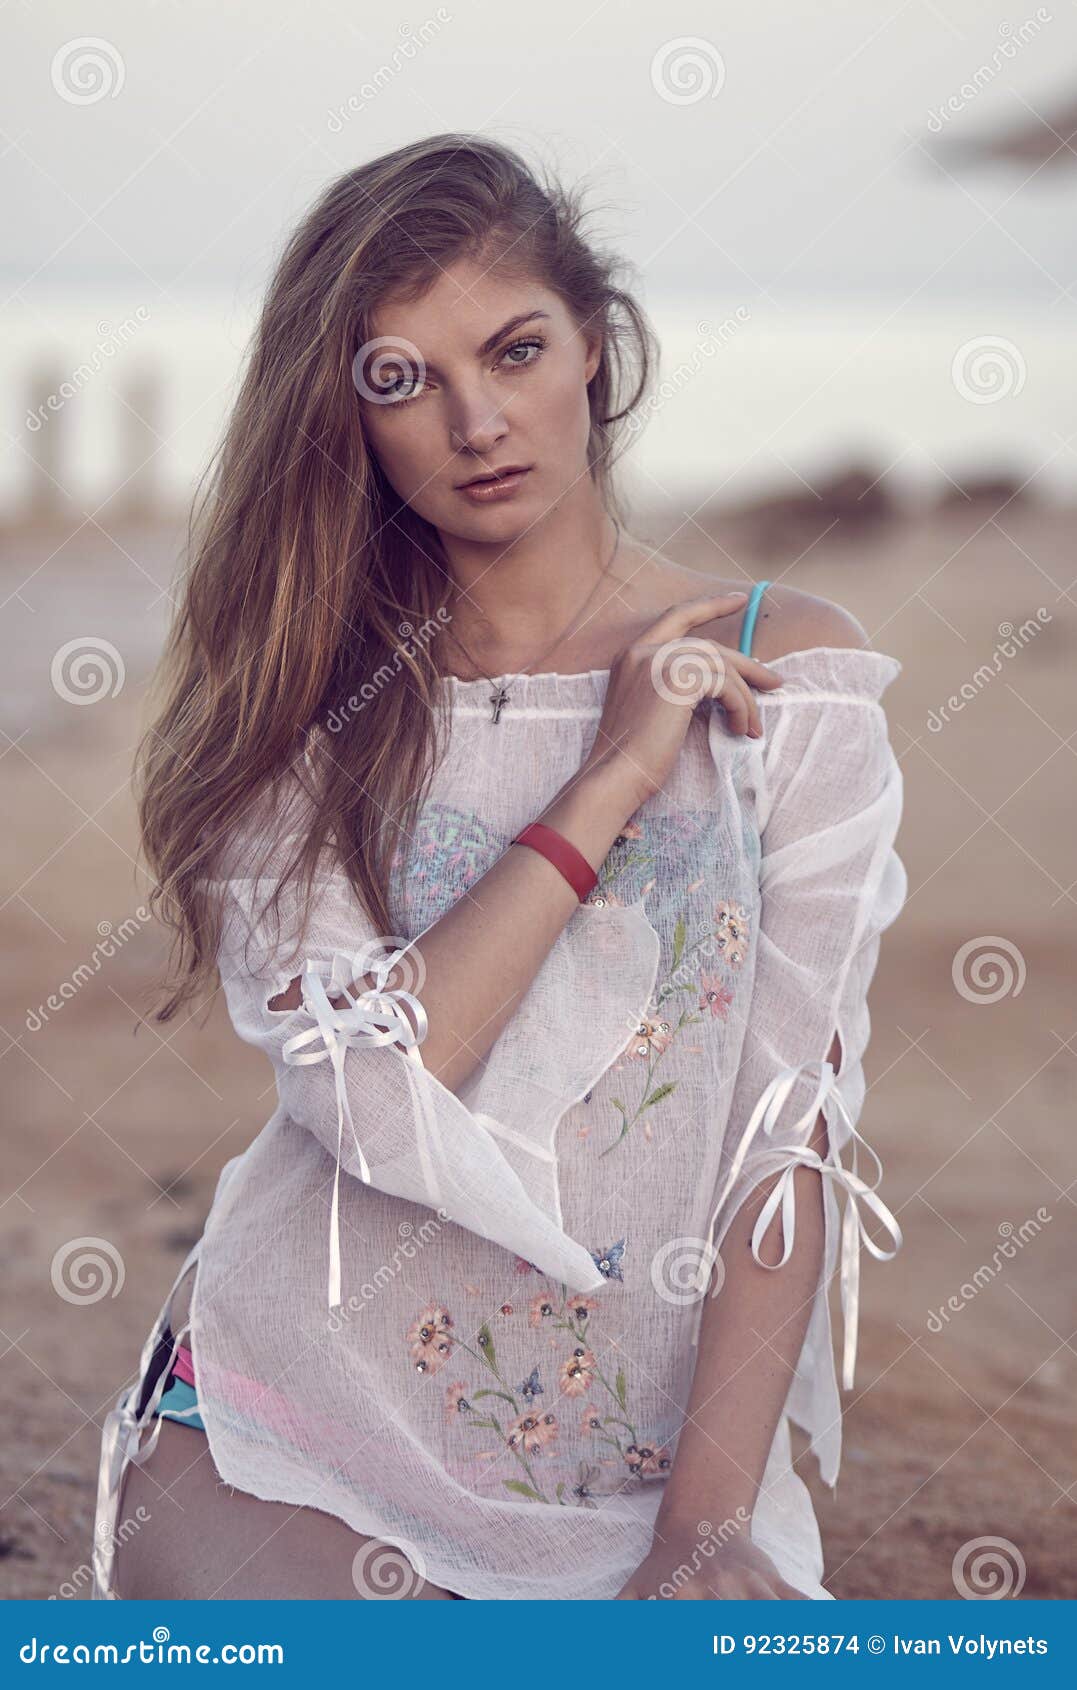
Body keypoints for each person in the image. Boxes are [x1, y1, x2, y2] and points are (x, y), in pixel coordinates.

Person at [92, 134, 906, 1602]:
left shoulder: (795, 674)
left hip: (652, 1467)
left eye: (514, 350)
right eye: (403, 379)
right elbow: (371, 1094)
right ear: (348, 421)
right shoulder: (304, 713)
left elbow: (788, 1132)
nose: (478, 421)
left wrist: (706, 1524)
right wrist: (609, 775)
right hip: (305, 1422)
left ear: (593, 348)